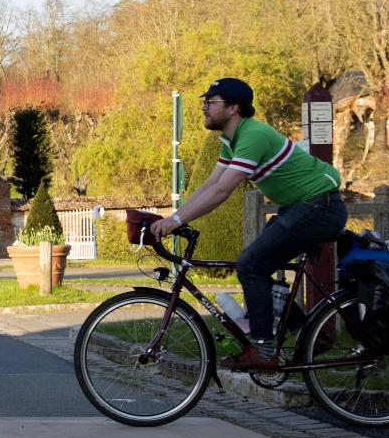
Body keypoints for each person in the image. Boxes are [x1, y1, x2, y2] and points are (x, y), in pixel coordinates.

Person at [149, 78, 347, 371]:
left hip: (319, 205)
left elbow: (223, 190)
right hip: (300, 206)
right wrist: (175, 217)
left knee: (250, 264)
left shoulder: (253, 135)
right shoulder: (232, 139)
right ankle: (309, 335)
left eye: (210, 102)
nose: (204, 108)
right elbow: (210, 183)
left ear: (233, 108)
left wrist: (177, 220)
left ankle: (264, 351)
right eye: (204, 102)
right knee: (258, 266)